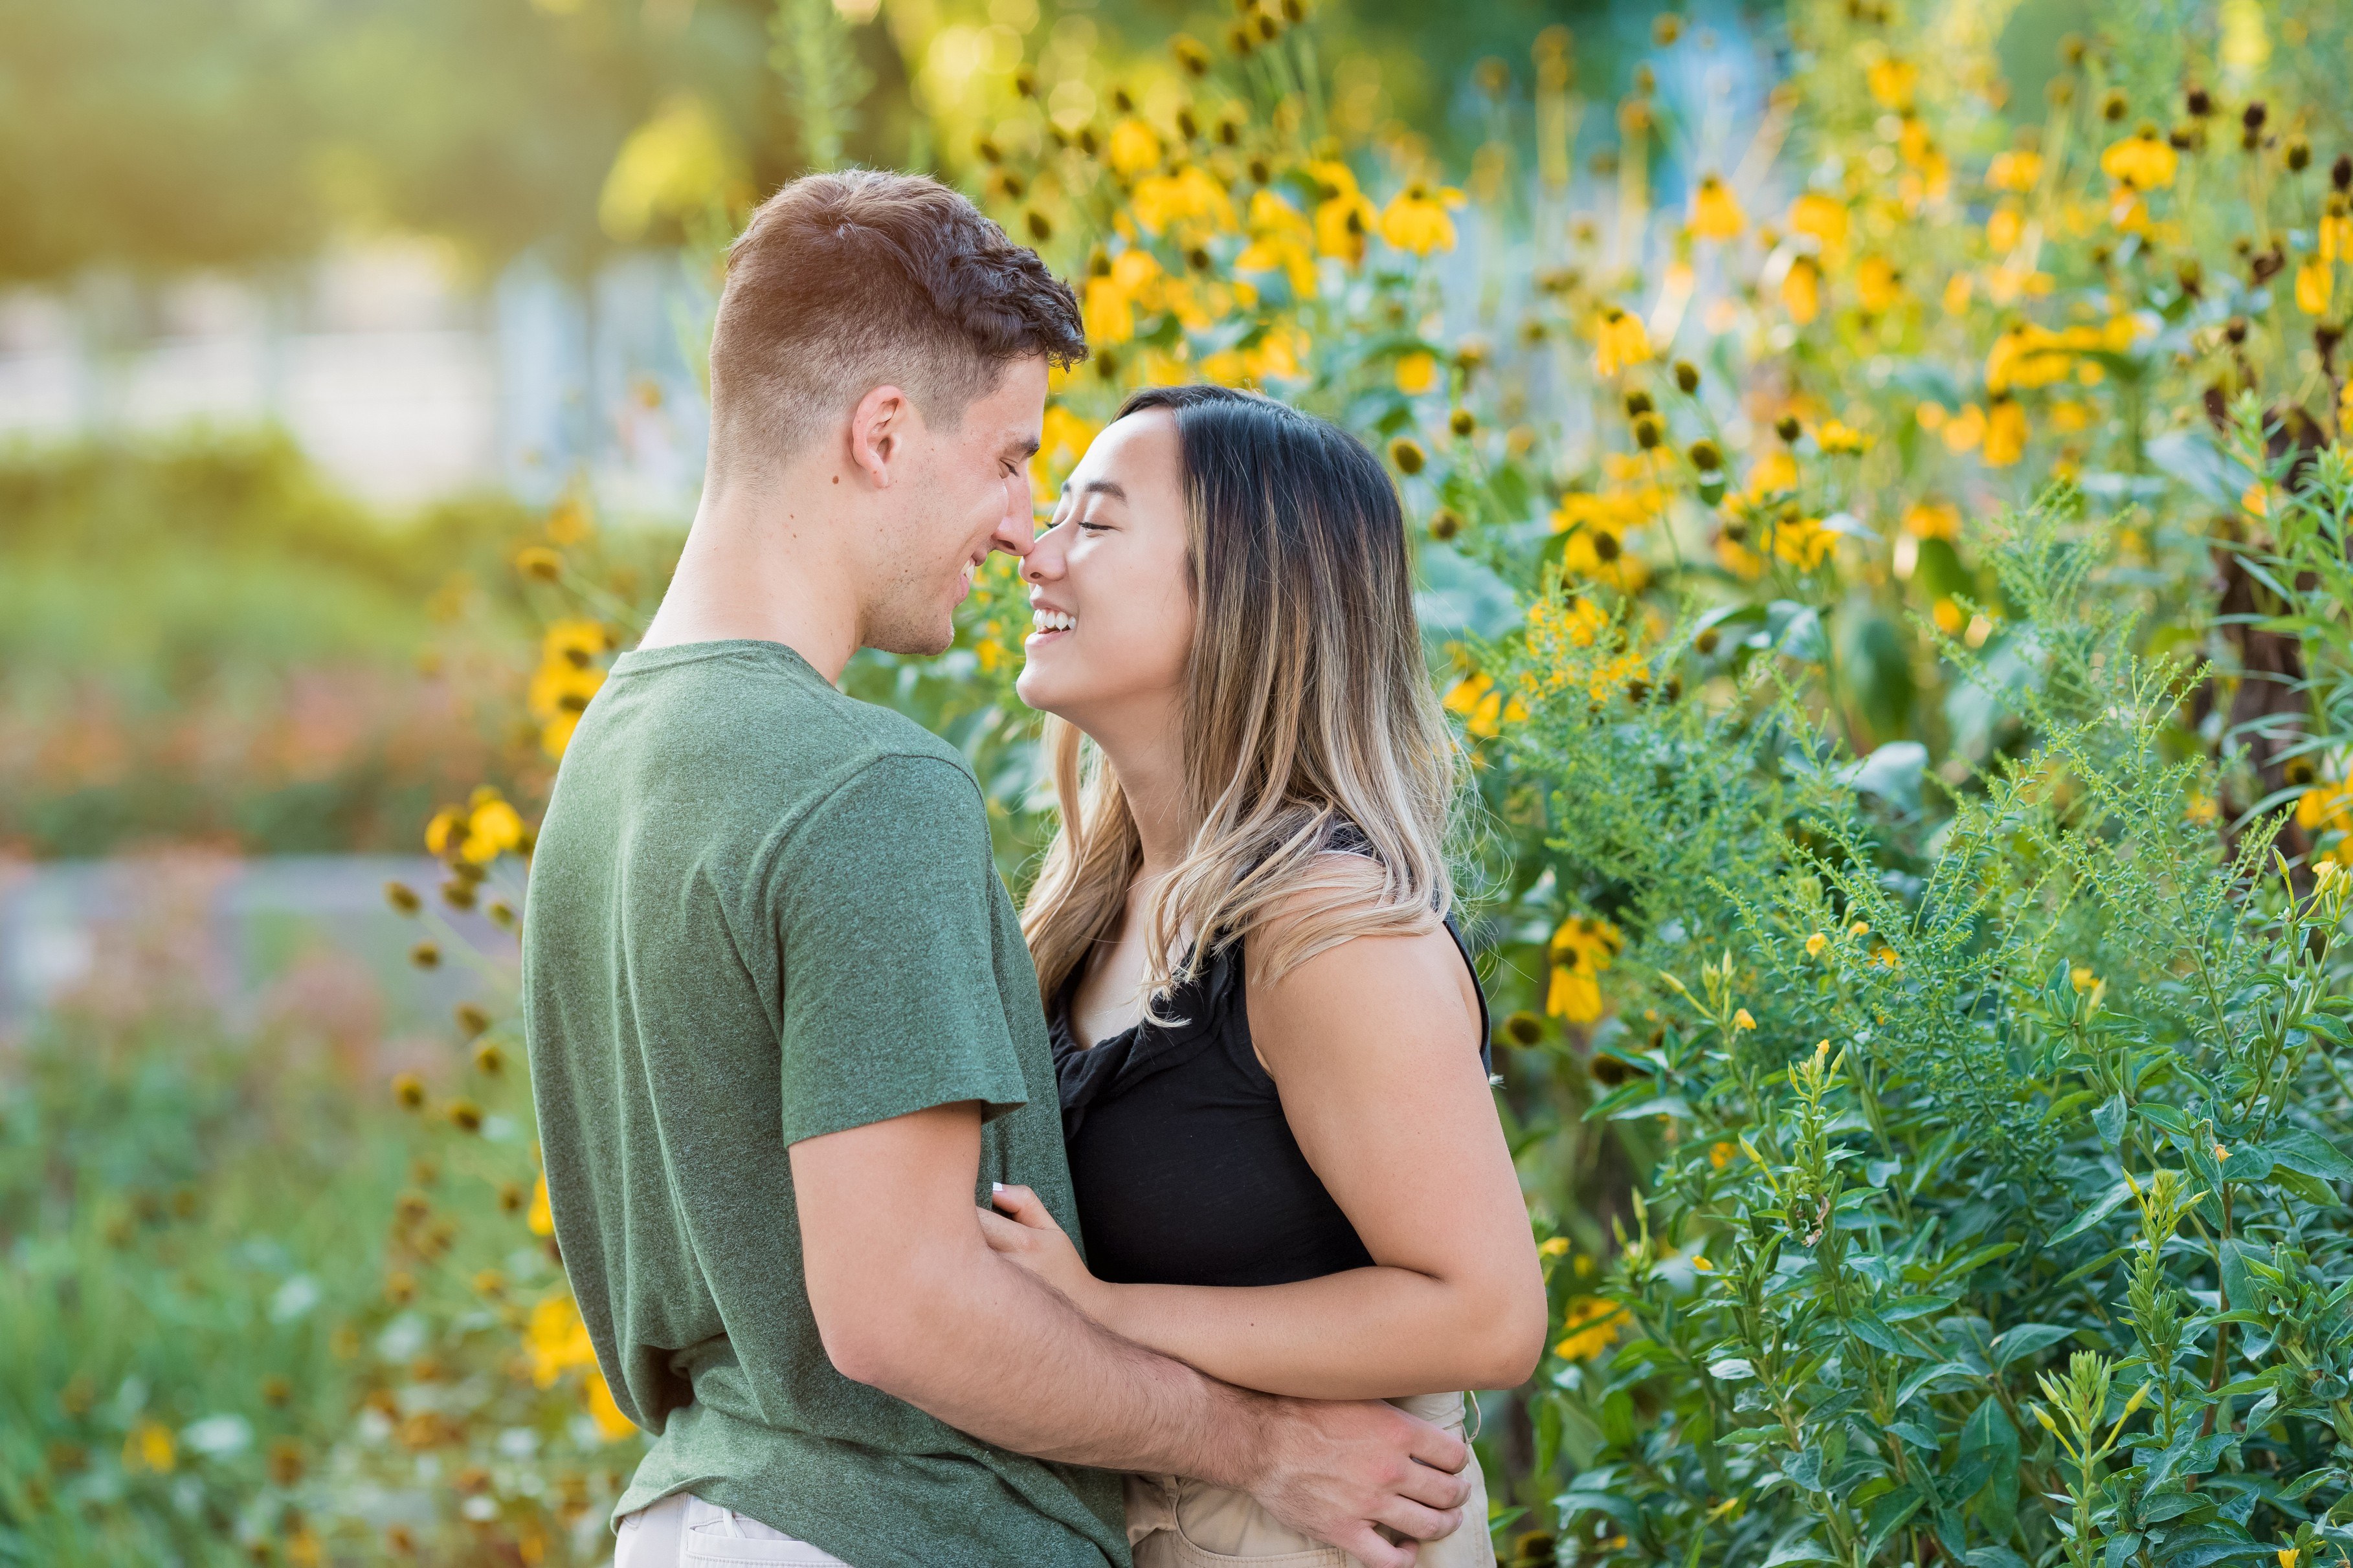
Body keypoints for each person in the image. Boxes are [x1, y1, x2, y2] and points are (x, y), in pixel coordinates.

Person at [521, 171, 1475, 1568]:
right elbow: (906, 1306)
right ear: (886, 433)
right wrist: (1268, 1446)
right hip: (883, 1531)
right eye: (1019, 458)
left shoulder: (611, 762)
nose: (1024, 523)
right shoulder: (868, 789)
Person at [983, 384, 1549, 1567]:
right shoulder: (1091, 903)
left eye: (1095, 524)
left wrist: (1106, 1311)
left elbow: (1486, 1313)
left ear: (1240, 588)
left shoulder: (1329, 929)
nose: (1037, 555)